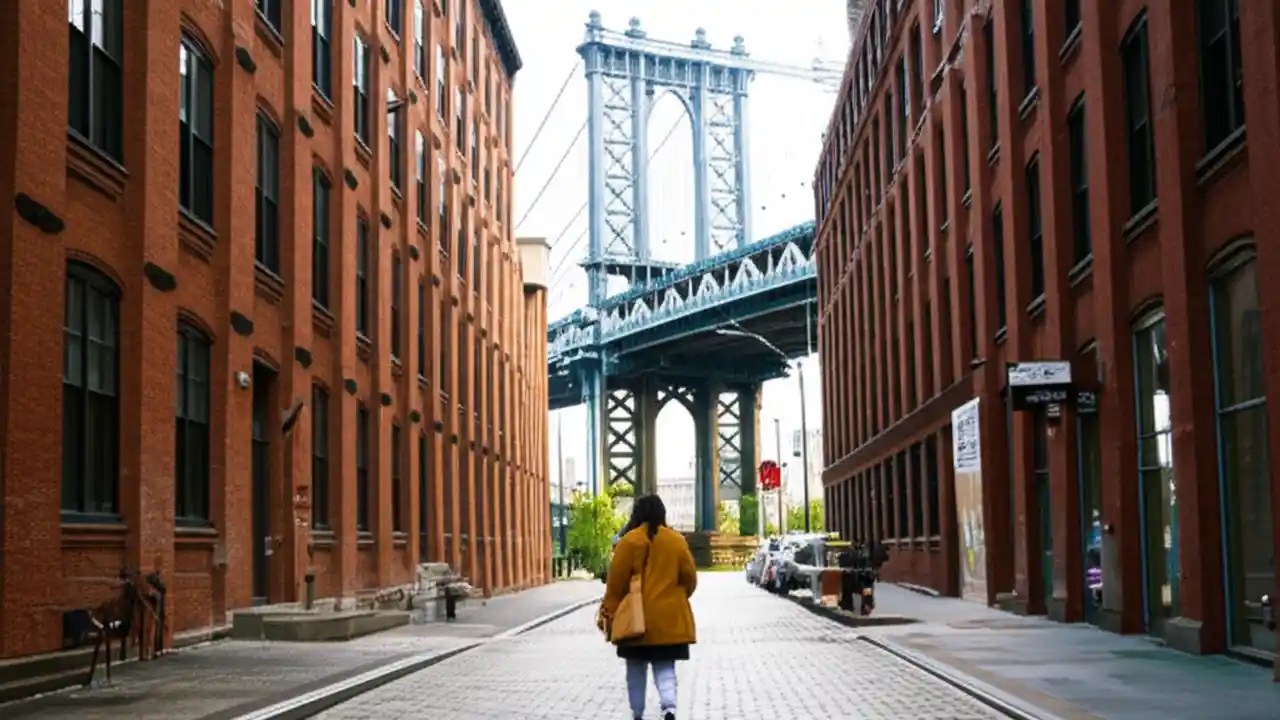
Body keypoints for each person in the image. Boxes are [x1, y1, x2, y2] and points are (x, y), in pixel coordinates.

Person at [601, 494, 697, 720]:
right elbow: (690, 579)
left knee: (635, 667)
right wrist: (677, 597)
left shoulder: (628, 542)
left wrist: (610, 613)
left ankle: (637, 712)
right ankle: (669, 707)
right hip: (668, 619)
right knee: (665, 665)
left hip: (635, 619)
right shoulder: (676, 541)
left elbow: (616, 584)